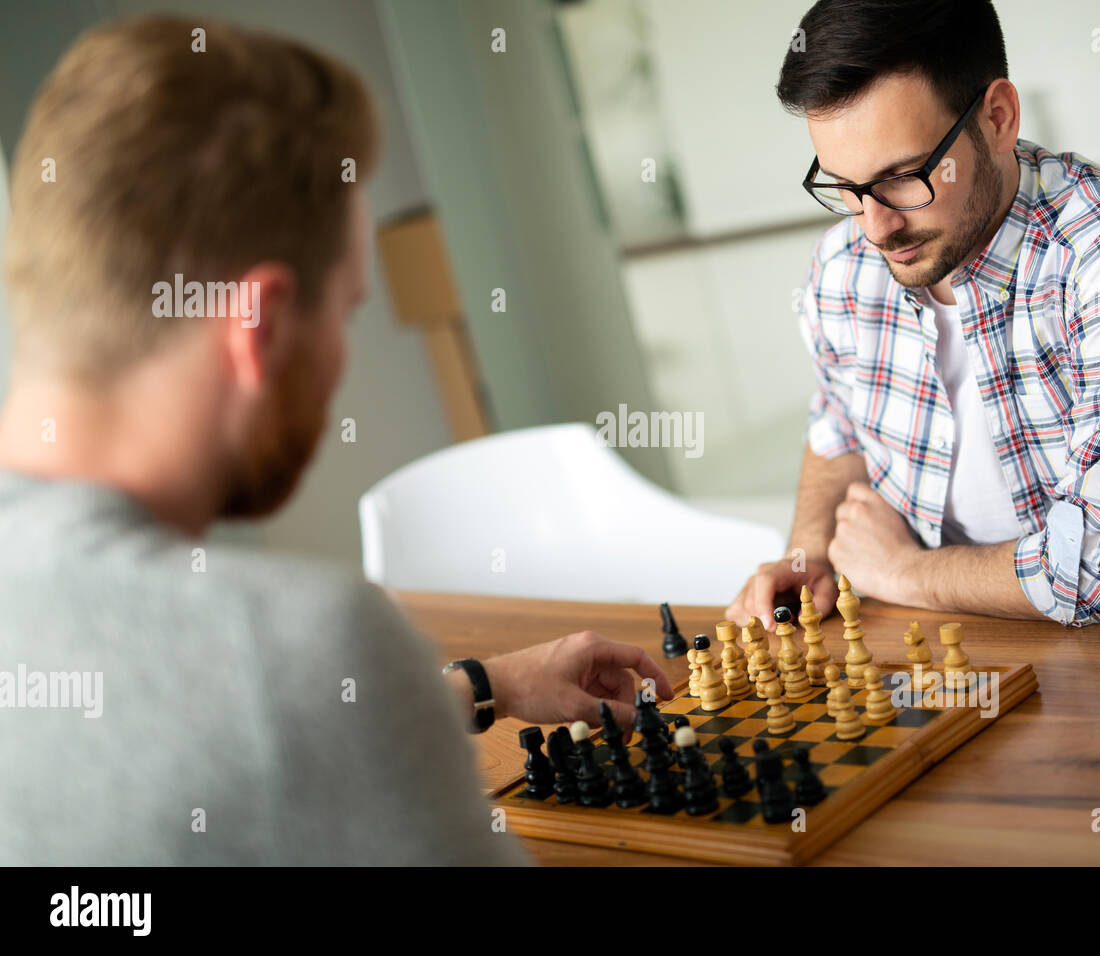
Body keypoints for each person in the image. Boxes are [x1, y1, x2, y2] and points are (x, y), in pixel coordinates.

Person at [0, 16, 668, 865]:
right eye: (347, 311)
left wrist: (482, 686)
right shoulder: (294, 647)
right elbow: (266, 707)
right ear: (263, 325)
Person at [728, 0, 1100, 630]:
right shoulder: (843, 266)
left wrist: (902, 572)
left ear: (997, 118)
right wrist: (807, 555)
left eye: (902, 177)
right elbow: (839, 433)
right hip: (965, 649)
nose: (877, 227)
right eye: (844, 186)